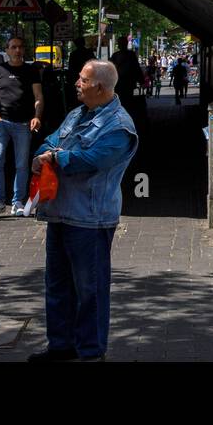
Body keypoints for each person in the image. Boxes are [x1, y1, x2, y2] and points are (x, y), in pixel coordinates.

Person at [27, 60, 137, 362]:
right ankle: (60, 346)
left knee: (90, 289)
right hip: (60, 213)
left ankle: (91, 352)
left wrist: (56, 157)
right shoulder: (77, 114)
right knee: (58, 284)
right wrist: (42, 155)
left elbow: (92, 160)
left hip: (91, 218)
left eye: (82, 79)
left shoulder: (119, 126)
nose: (76, 82)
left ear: (98, 87)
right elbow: (51, 139)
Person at [0, 37, 43, 216]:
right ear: (7, 50)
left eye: (20, 47)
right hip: (2, 124)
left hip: (23, 124)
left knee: (22, 164)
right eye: (14, 47)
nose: (17, 50)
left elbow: (38, 96)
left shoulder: (31, 70)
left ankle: (17, 201)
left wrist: (37, 116)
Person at [108, 35, 143, 110]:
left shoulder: (115, 55)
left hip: (120, 82)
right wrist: (141, 79)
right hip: (127, 82)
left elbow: (110, 69)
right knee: (127, 100)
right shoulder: (131, 54)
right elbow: (136, 68)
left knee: (120, 100)